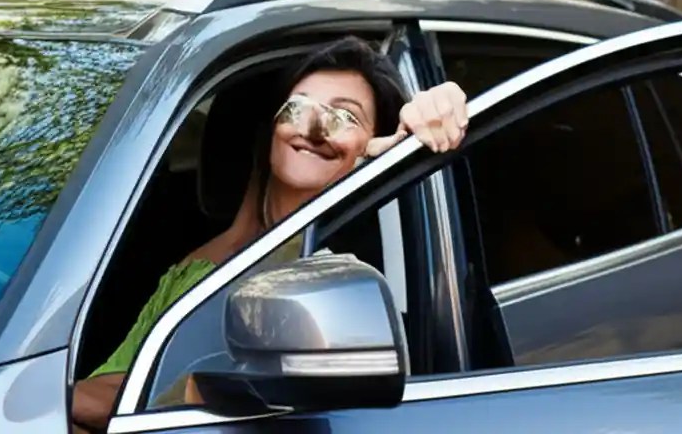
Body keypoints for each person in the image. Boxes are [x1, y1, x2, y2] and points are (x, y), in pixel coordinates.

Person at [70, 36, 470, 432]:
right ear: (271, 132)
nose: (314, 127)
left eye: (345, 117)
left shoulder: (331, 281)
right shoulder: (200, 264)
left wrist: (439, 105)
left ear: (375, 144)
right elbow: (114, 384)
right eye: (297, 108)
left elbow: (163, 404)